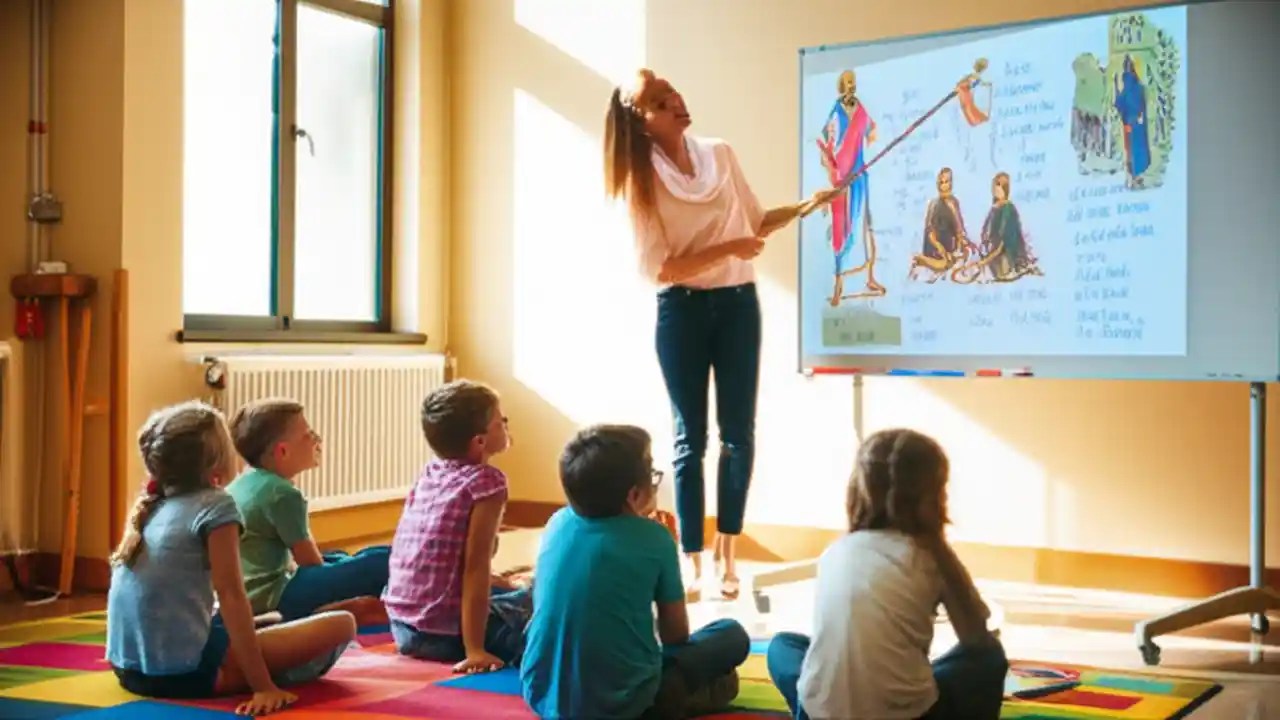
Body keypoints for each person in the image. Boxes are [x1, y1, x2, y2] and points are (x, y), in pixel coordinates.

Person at [604, 67, 836, 599]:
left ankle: (728, 552)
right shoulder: (641, 180)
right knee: (691, 438)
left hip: (738, 305)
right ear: (642, 124)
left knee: (739, 433)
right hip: (680, 311)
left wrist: (807, 205)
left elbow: (752, 223)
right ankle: (692, 560)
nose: (676, 100)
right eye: (661, 102)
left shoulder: (721, 155)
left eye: (673, 91)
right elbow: (659, 269)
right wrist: (728, 249)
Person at [106, 401, 355, 716]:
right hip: (189, 674)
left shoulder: (153, 505)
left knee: (274, 620)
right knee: (343, 624)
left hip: (130, 671)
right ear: (217, 460)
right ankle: (257, 671)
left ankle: (253, 649)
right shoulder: (216, 506)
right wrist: (262, 687)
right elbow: (231, 595)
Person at [766, 428, 1008, 720]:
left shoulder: (836, 551)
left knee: (783, 647)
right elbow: (976, 638)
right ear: (935, 495)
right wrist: (940, 544)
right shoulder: (931, 557)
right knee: (989, 658)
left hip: (819, 714)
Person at [521, 424, 750, 719]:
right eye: (651, 470)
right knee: (731, 636)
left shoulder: (556, 523)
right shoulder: (654, 539)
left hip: (542, 695)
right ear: (633, 494)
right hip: (626, 704)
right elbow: (675, 635)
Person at [382, 379, 532, 673]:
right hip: (446, 637)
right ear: (480, 441)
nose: (506, 424)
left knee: (513, 591)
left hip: (402, 627)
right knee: (540, 596)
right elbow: (474, 566)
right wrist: (475, 650)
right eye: (500, 421)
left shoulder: (431, 471)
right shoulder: (487, 482)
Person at [226, 398, 390, 626]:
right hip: (277, 595)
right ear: (283, 451)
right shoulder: (283, 494)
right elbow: (309, 561)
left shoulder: (244, 482)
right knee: (382, 560)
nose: (316, 440)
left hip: (251, 593)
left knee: (341, 557)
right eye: (308, 435)